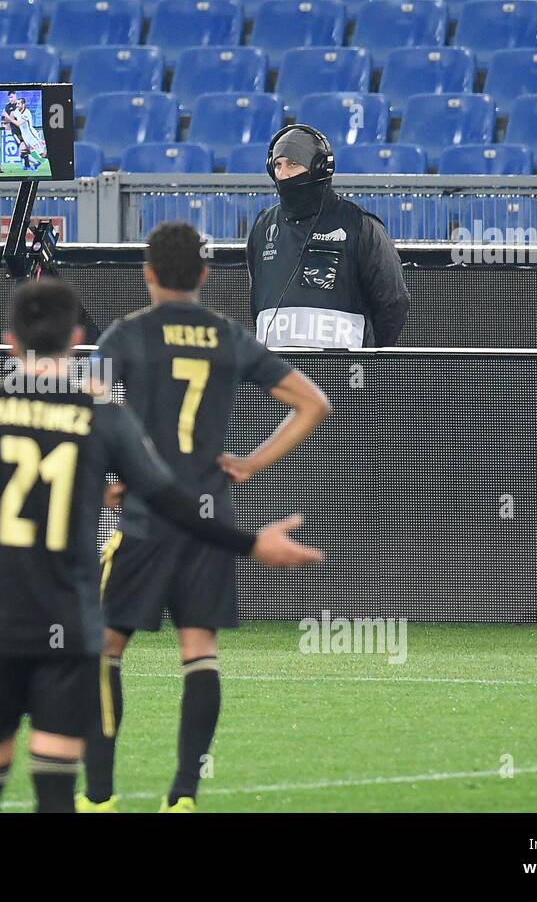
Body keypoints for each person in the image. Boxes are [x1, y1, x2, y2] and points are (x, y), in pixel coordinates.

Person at [0, 280, 325, 813]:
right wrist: (248, 544)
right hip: (70, 634)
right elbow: (173, 501)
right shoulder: (105, 418)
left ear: (11, 343)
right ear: (76, 337)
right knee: (55, 789)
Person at [79, 221, 332, 813]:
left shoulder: (125, 336)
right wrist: (248, 465)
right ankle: (184, 796)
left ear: (147, 273)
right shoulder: (228, 337)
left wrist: (108, 482)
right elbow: (313, 402)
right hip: (209, 513)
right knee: (199, 652)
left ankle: (98, 796)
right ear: (204, 274)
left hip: (144, 519)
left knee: (103, 651)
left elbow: (87, 418)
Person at [247, 124, 411, 349]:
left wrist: (366, 356)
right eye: (277, 165)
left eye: (293, 164)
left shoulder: (360, 225)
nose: (283, 175)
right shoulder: (263, 227)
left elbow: (393, 303)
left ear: (320, 168)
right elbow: (258, 303)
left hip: (342, 376)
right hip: (278, 376)